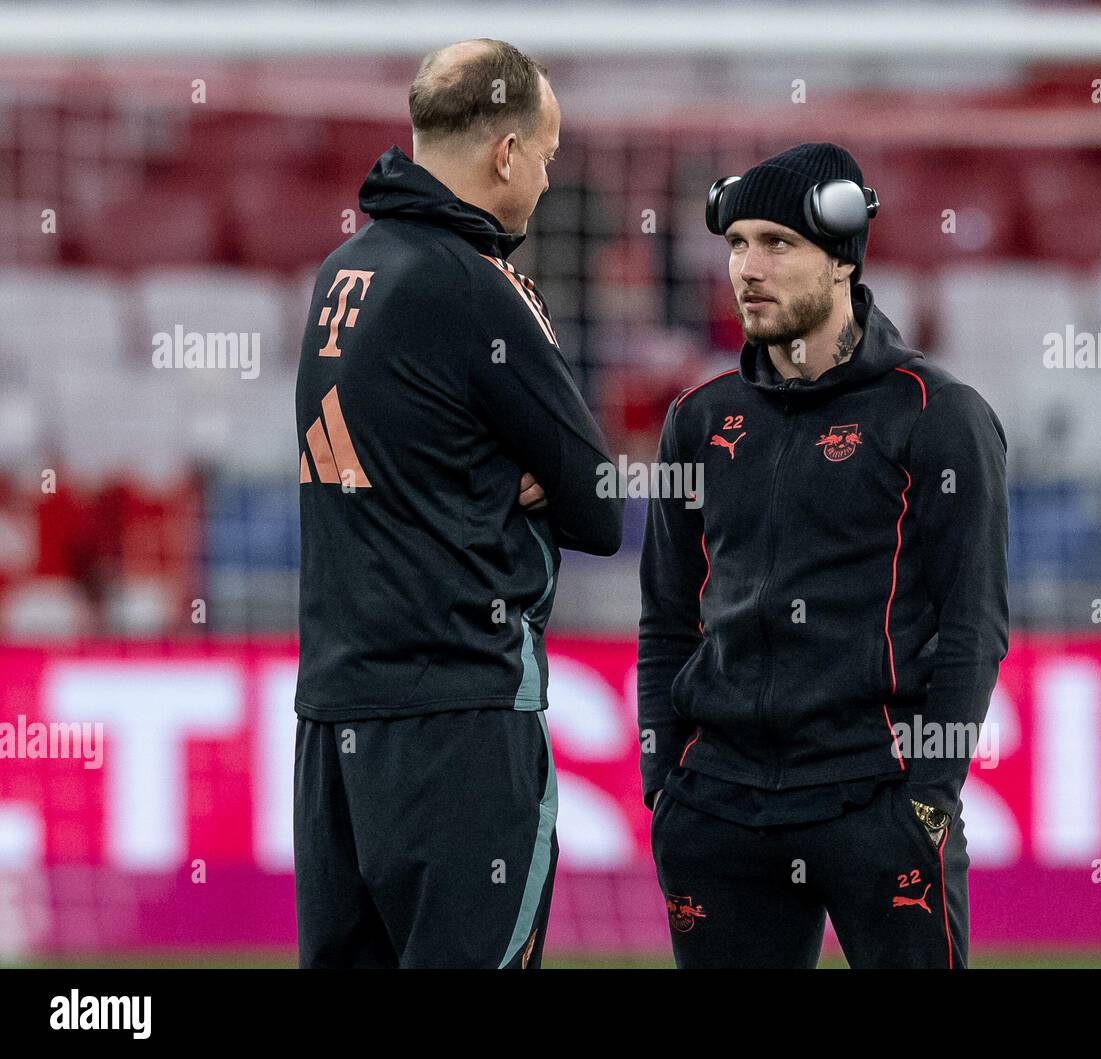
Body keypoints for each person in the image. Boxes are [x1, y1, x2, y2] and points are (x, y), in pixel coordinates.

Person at [294, 38, 622, 969]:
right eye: (548, 158)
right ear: (506, 153)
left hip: (334, 721)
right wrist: (515, 474)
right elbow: (598, 503)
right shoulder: (475, 284)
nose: (548, 184)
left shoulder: (340, 276)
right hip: (459, 722)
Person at [638, 142, 1008, 968]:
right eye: (736, 244)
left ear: (841, 256)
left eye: (777, 243)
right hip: (718, 808)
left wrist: (929, 800)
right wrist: (663, 782)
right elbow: (666, 615)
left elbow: (972, 624)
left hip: (876, 801)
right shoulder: (697, 420)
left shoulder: (937, 414)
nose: (748, 268)